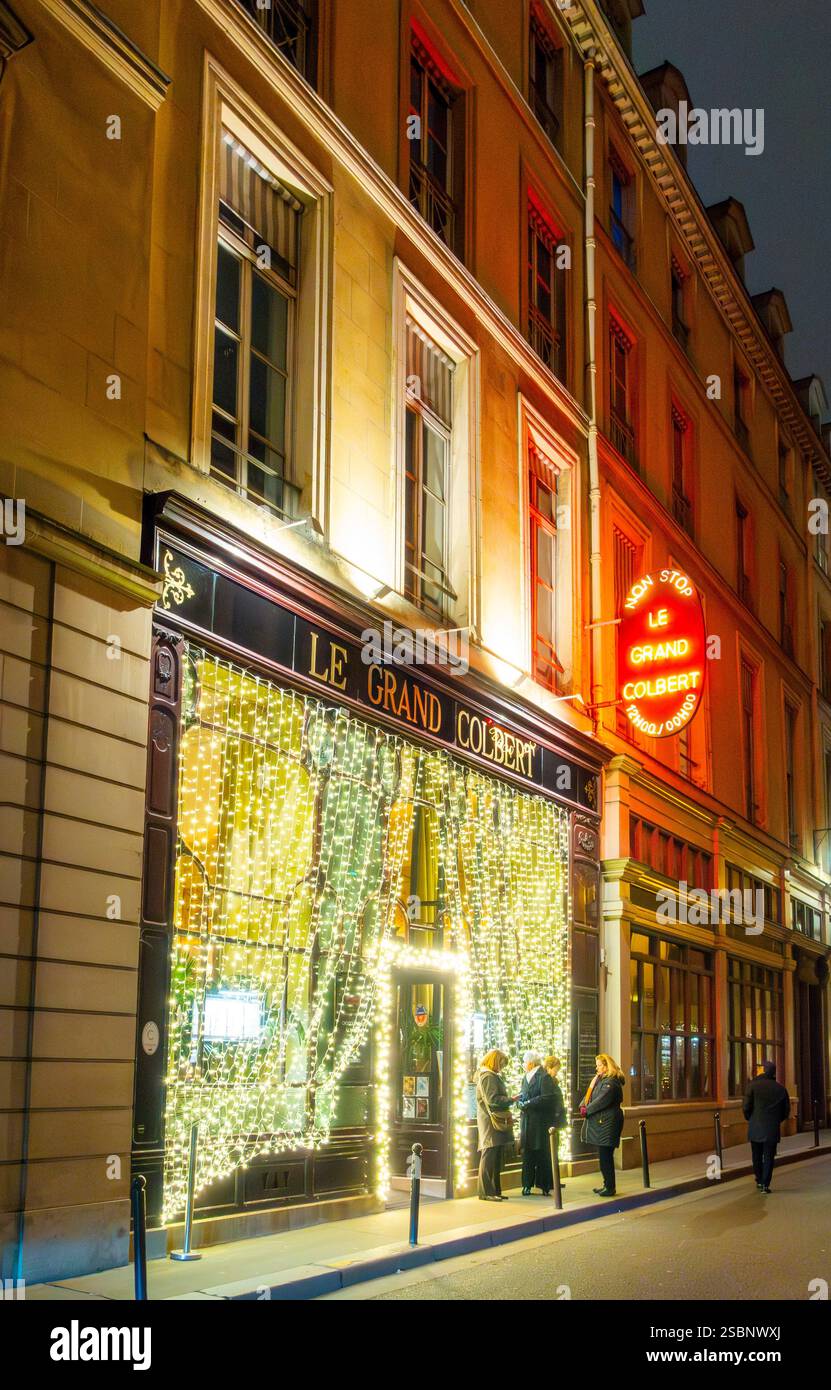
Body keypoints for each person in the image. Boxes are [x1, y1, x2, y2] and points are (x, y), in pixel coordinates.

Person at [518, 1050, 565, 1195]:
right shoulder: (525, 1077)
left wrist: (528, 1103)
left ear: (531, 1063)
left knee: (542, 1153)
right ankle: (526, 1184)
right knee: (528, 1155)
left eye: (525, 1063)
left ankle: (544, 1185)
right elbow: (523, 1095)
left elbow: (547, 1098)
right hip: (527, 1122)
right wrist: (519, 1103)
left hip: (540, 1122)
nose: (523, 1065)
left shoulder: (543, 1077)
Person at [474, 1049, 517, 1201]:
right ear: (495, 1061)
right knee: (490, 1155)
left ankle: (494, 1190)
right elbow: (493, 1099)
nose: (502, 1068)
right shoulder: (488, 1076)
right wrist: (511, 1099)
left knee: (495, 1155)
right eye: (501, 1064)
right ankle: (486, 1191)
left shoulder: (488, 1076)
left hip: (492, 1121)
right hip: (490, 1122)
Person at [742, 1059, 790, 1193]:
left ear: (763, 1070)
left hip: (755, 1126)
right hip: (772, 1128)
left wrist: (750, 1118)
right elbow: (786, 1111)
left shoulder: (752, 1086)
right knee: (769, 1156)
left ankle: (758, 1179)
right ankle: (765, 1184)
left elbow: (746, 1107)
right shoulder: (781, 1089)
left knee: (756, 1155)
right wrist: (775, 1121)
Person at [580, 1053, 625, 1197]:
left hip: (607, 1123)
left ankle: (610, 1187)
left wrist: (587, 1110)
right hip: (602, 1123)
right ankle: (607, 1184)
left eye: (599, 1065)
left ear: (606, 1067)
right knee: (604, 1156)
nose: (597, 1068)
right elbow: (591, 1096)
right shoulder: (601, 1080)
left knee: (606, 1156)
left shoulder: (610, 1083)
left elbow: (601, 1100)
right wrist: (582, 1105)